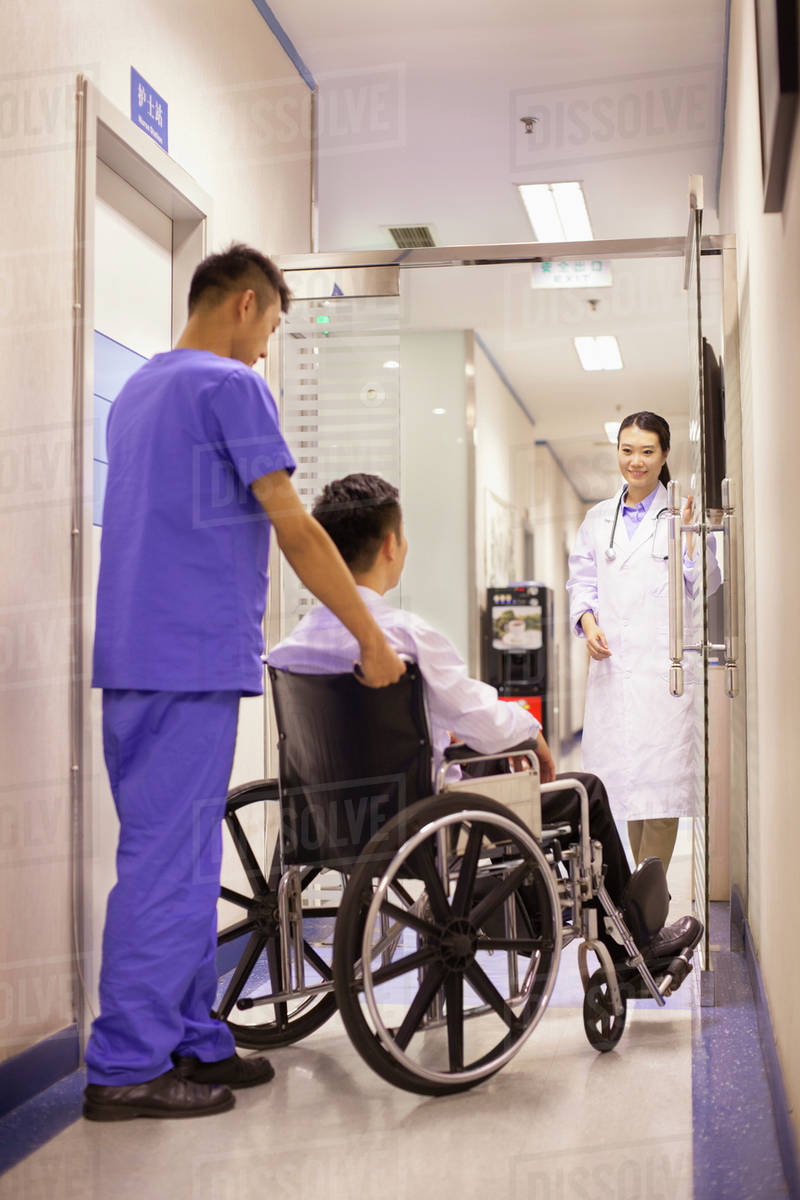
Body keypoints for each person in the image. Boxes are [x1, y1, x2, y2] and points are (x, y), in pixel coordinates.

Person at [84, 246, 405, 1122]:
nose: (266, 350)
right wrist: (369, 637)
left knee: (181, 853)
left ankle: (193, 1036)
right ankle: (126, 1064)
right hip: (184, 658)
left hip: (140, 658)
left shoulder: (141, 391)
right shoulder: (228, 387)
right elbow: (296, 528)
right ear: (246, 303)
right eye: (269, 328)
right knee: (166, 861)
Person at [269, 472, 701, 962]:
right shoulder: (403, 636)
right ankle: (632, 946)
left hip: (328, 825)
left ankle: (546, 916)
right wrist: (532, 732)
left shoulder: (289, 650)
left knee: (489, 773)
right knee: (586, 793)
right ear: (391, 545)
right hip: (423, 824)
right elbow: (480, 717)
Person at [567, 411, 721, 873]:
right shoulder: (596, 519)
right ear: (618, 453)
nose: (636, 461)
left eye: (647, 452)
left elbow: (706, 584)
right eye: (628, 450)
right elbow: (581, 584)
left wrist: (692, 545)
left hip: (663, 671)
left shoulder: (682, 512)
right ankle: (638, 899)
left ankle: (650, 895)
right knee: (621, 792)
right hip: (614, 671)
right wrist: (588, 623)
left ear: (664, 455)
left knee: (660, 788)